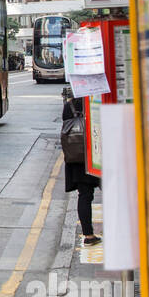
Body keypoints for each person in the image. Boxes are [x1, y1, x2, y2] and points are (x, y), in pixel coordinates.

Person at [62, 86, 101, 246]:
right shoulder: (97, 103)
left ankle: (88, 234)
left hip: (77, 156)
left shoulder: (69, 106)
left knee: (84, 195)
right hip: (97, 152)